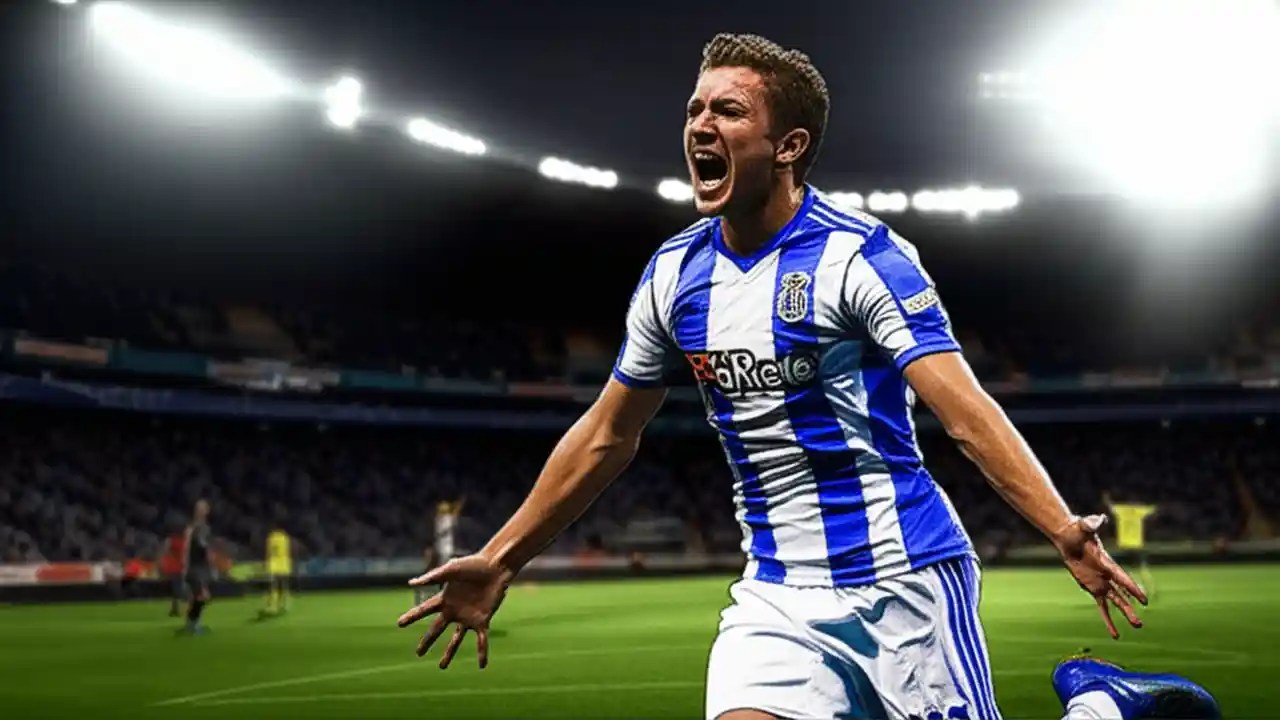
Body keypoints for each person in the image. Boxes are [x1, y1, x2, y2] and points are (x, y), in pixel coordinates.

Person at [397, 33, 1219, 720]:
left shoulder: (863, 257)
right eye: (694, 108)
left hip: (905, 582)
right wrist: (503, 557)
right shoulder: (673, 275)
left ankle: (1102, 707)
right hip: (776, 595)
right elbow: (609, 433)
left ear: (787, 146)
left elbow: (964, 413)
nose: (700, 125)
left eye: (728, 109)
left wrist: (1063, 529)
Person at [1104, 492, 1159, 601]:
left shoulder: (1122, 509)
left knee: (1123, 571)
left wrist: (1106, 498)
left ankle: (1130, 590)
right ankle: (1152, 589)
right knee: (1142, 569)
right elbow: (1154, 510)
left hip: (1124, 545)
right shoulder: (1139, 510)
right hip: (1137, 545)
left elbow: (1110, 507)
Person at [180, 499, 214, 635]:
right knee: (202, 596)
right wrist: (184, 565)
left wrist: (211, 565)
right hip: (194, 567)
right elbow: (186, 547)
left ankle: (192, 624)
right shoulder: (191, 528)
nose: (201, 510)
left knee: (198, 597)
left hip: (203, 567)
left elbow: (208, 549)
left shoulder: (206, 528)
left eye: (204, 508)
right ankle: (193, 625)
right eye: (199, 508)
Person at [156, 525, 187, 617]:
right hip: (177, 567)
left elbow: (163, 551)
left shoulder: (171, 540)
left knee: (175, 589)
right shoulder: (182, 541)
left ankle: (175, 609)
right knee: (178, 588)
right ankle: (181, 607)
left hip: (174, 567)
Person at [264, 520, 293, 616]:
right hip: (284, 562)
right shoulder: (285, 538)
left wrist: (267, 562)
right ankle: (286, 603)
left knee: (274, 585)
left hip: (275, 563)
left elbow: (269, 551)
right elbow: (288, 551)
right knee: (284, 583)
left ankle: (274, 606)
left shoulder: (271, 537)